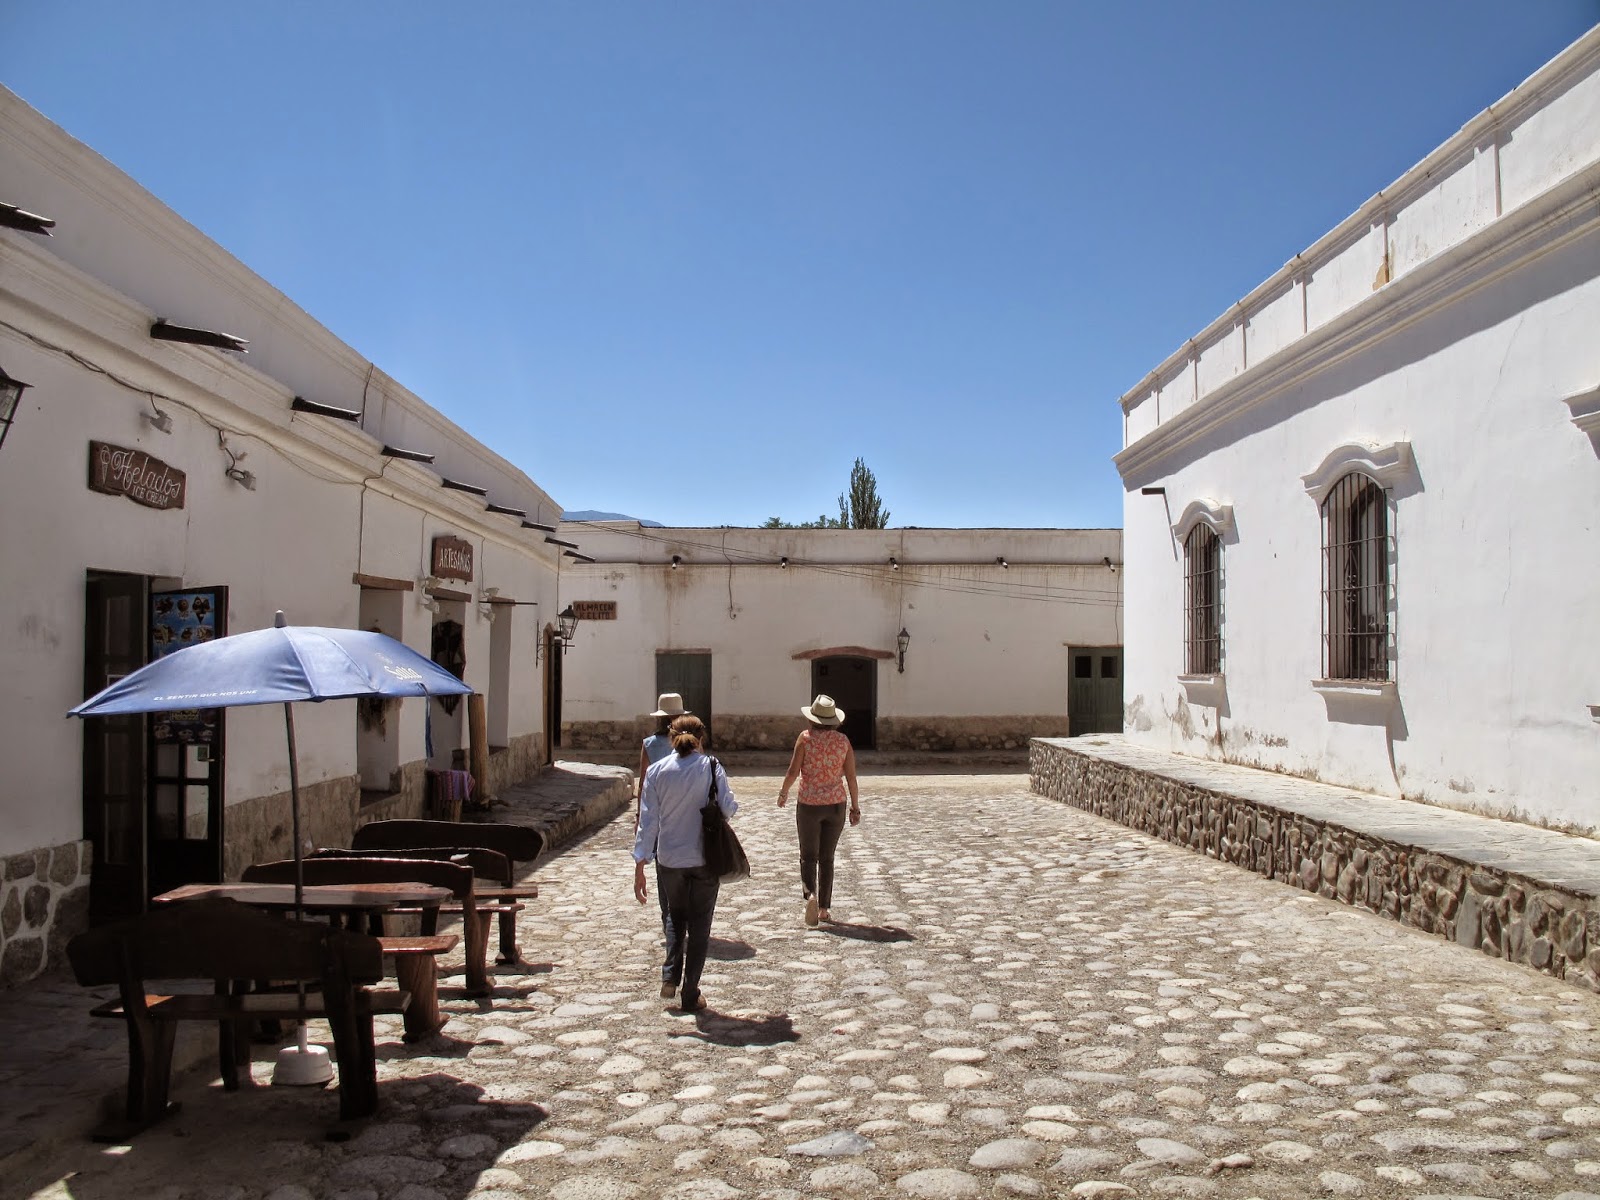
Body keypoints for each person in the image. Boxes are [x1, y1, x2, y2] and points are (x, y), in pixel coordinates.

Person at [633, 714, 737, 1012]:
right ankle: (690, 991)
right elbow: (728, 808)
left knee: (675, 917)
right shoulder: (712, 767)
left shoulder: (656, 771)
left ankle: (669, 976)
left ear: (671, 738)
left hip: (669, 857)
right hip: (704, 856)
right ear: (700, 739)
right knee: (700, 924)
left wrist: (641, 862)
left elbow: (648, 820)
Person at [777, 694, 860, 927]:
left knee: (808, 855)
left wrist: (783, 793)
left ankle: (810, 895)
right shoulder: (843, 742)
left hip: (808, 805)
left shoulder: (805, 739)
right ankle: (824, 909)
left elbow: (793, 771)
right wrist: (855, 806)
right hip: (836, 805)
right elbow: (851, 777)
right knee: (827, 857)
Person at [635, 692, 689, 828]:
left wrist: (639, 816)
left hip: (657, 806)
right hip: (684, 807)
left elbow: (643, 783)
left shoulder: (649, 744)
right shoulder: (689, 742)